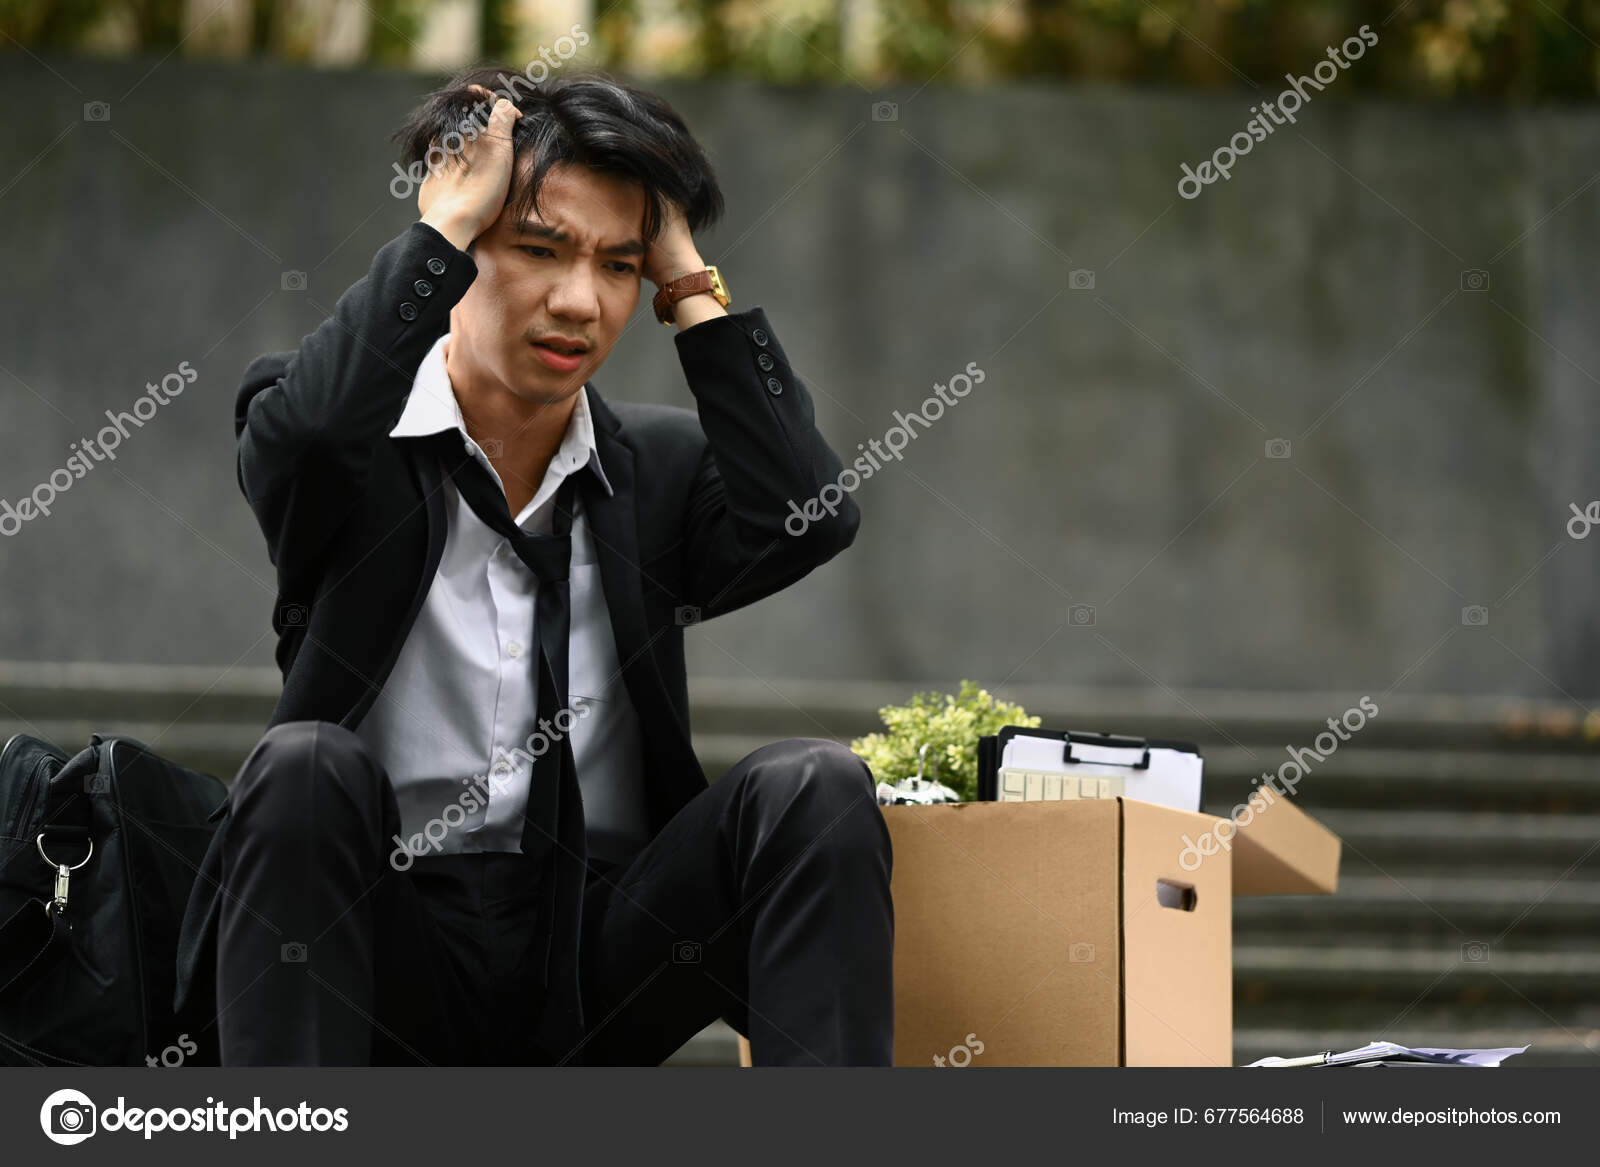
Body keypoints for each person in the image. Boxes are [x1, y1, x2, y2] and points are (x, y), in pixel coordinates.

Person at [174, 67, 892, 1067]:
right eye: (538, 249)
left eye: (615, 265)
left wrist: (682, 267)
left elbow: (810, 518)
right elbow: (308, 432)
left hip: (598, 944)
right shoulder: (346, 449)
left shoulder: (660, 470)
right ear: (466, 244)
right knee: (302, 768)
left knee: (815, 782)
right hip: (380, 937)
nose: (577, 301)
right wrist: (439, 226)